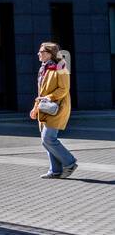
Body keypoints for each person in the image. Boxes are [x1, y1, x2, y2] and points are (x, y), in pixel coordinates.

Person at [31, 42, 76, 179]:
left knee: (48, 138)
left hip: (56, 107)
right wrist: (35, 108)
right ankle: (55, 170)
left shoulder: (61, 66)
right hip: (45, 107)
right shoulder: (43, 68)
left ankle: (70, 163)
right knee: (46, 140)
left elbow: (63, 89)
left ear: (50, 53)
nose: (39, 54)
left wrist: (48, 98)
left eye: (42, 51)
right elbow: (41, 91)